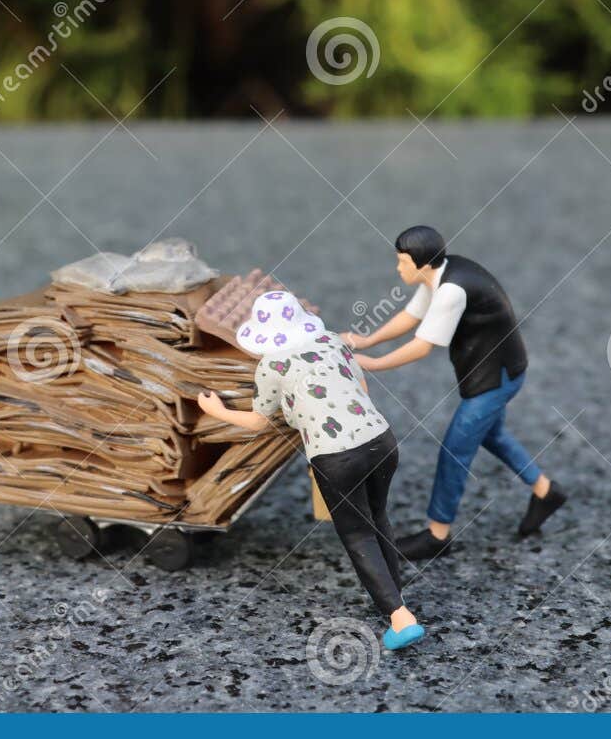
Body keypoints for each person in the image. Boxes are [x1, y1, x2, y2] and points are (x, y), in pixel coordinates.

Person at [197, 290, 425, 651]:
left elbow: (258, 421)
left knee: (356, 533)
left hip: (336, 455)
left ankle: (400, 617)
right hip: (380, 440)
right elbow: (361, 386)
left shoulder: (271, 365)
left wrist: (216, 411)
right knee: (378, 516)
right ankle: (394, 595)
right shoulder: (332, 341)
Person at [347, 225, 566, 561]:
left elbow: (422, 346)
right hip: (489, 370)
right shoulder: (439, 272)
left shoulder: (451, 291)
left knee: (455, 450)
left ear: (421, 264)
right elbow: (411, 316)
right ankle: (545, 491)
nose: (397, 268)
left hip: (497, 377)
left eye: (401, 262)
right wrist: (367, 340)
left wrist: (373, 364)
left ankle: (437, 535)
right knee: (492, 436)